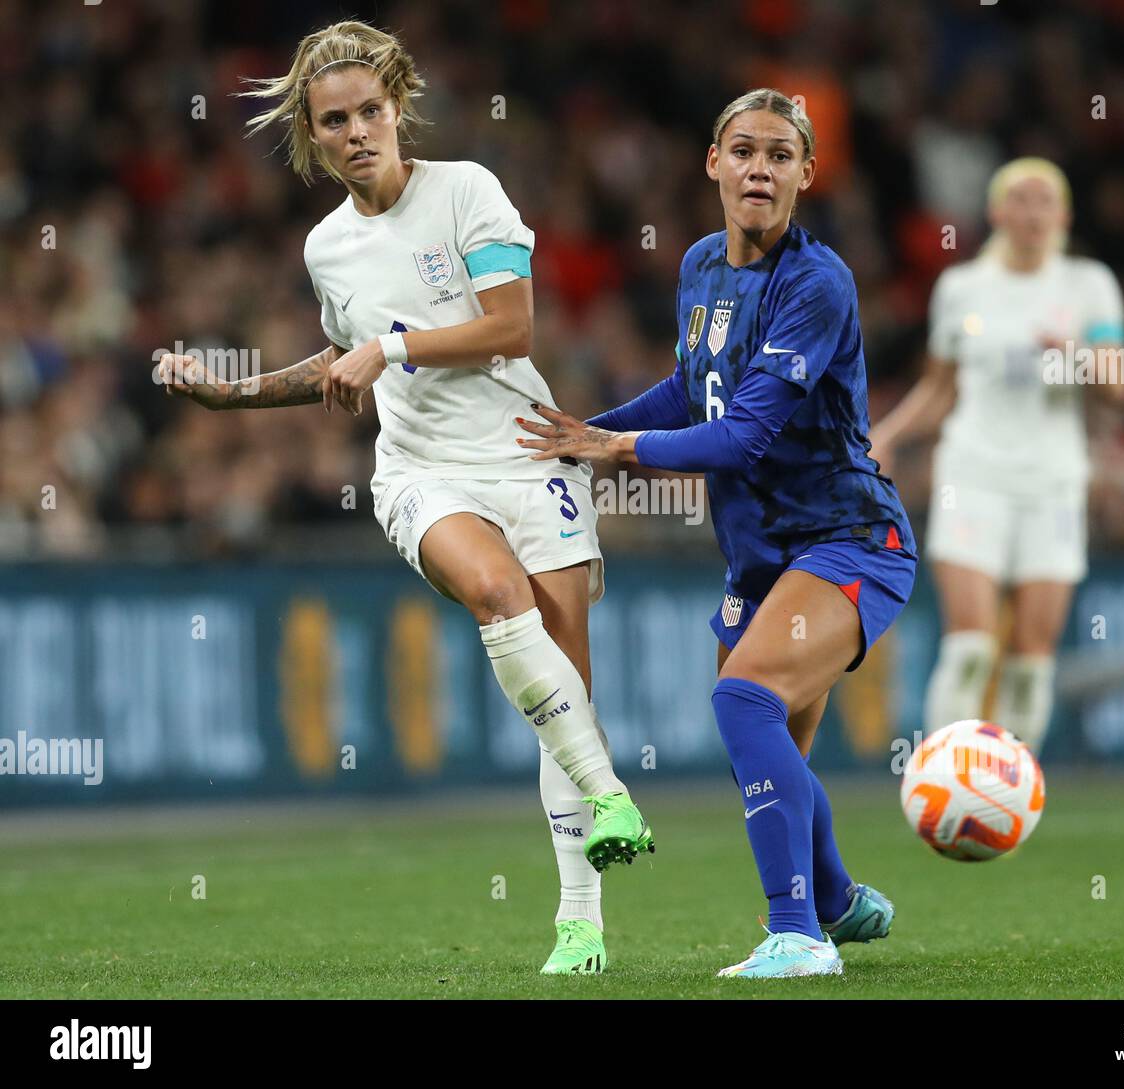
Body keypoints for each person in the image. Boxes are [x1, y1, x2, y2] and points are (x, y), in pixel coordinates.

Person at [156, 19, 651, 976]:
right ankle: (611, 791)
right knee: (497, 598)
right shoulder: (326, 248)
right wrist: (233, 390)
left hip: (527, 453)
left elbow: (509, 328)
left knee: (567, 685)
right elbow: (344, 363)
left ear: (396, 107)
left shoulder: (469, 191)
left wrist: (391, 343)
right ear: (312, 135)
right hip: (422, 469)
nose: (354, 132)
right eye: (332, 121)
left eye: (368, 111)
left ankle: (580, 924)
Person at [518, 89, 915, 978]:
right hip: (760, 558)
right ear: (712, 162)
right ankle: (841, 902)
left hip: (847, 540)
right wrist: (587, 433)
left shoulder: (817, 283)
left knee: (743, 702)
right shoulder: (700, 264)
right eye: (744, 151)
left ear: (807, 174)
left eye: (781, 155)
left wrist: (617, 447)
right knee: (772, 751)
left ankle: (800, 936)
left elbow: (743, 433)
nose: (760, 169)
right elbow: (691, 388)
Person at [871, 158, 1124, 754]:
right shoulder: (962, 288)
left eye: (1046, 201)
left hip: (1053, 482)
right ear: (997, 212)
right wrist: (886, 436)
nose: (1033, 212)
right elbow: (940, 389)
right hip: (973, 473)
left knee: (1032, 657)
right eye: (1021, 199)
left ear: (1063, 215)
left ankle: (1009, 786)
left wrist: (1076, 356)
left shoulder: (1088, 284)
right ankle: (941, 777)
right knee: (970, 644)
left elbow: (1118, 387)